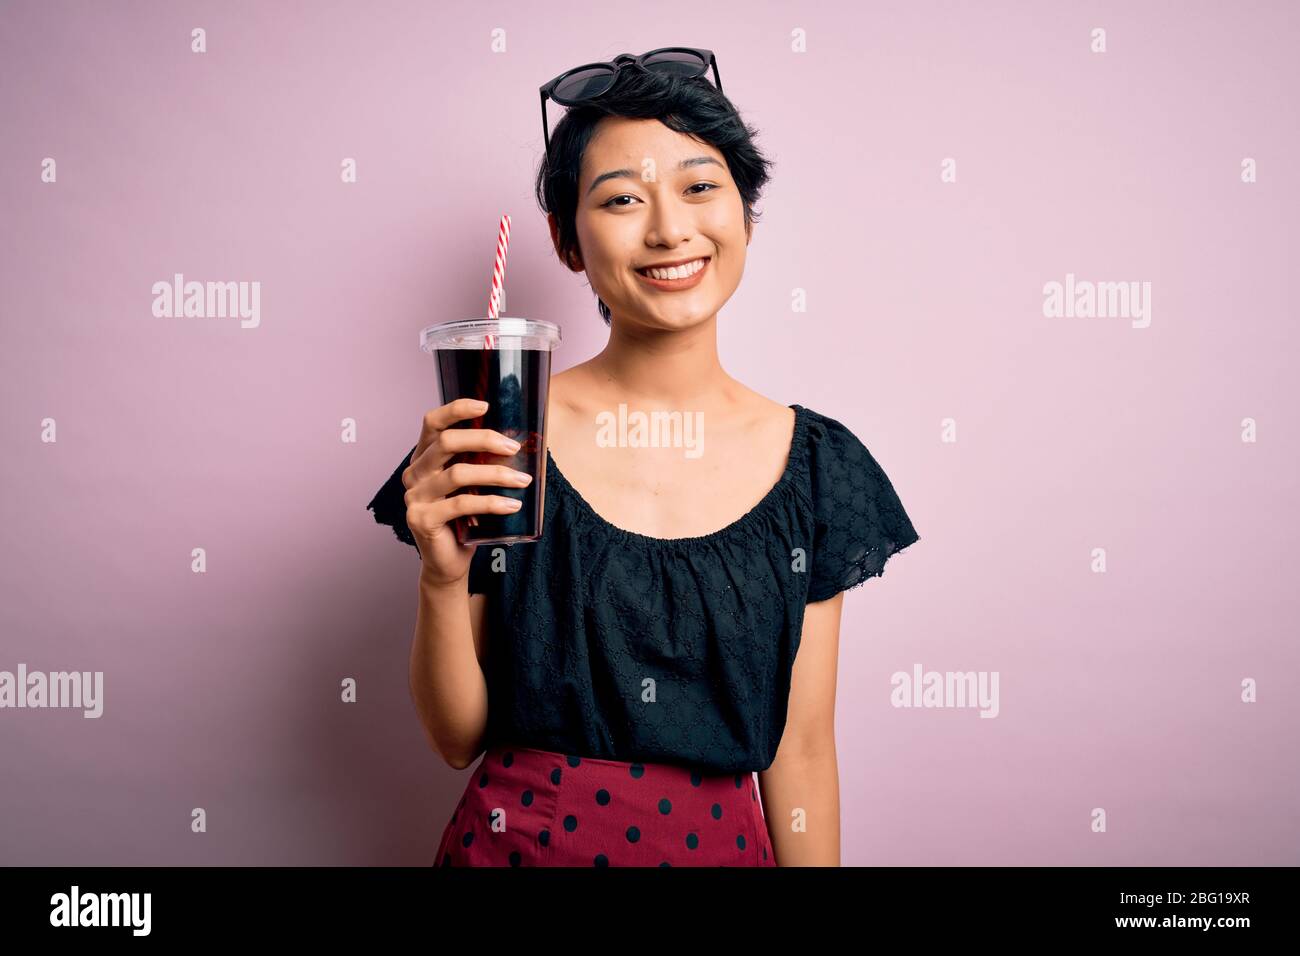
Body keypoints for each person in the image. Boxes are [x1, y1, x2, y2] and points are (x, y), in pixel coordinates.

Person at [366, 48, 920, 867]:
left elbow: (800, 754)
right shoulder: (497, 440)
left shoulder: (817, 470)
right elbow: (458, 739)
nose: (668, 228)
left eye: (700, 187)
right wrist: (442, 579)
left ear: (747, 214)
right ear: (564, 240)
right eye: (622, 198)